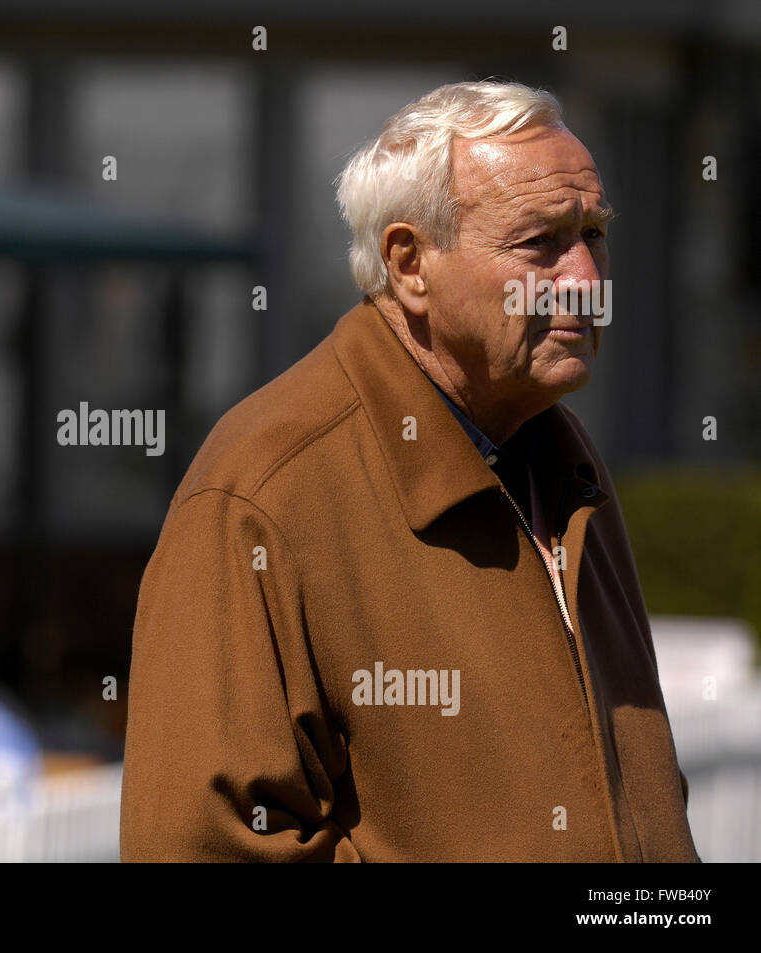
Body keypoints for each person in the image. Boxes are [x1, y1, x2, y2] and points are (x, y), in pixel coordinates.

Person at [120, 81, 699, 861]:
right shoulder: (264, 491)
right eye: (539, 244)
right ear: (409, 263)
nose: (587, 279)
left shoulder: (562, 457)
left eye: (593, 233)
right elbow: (193, 847)